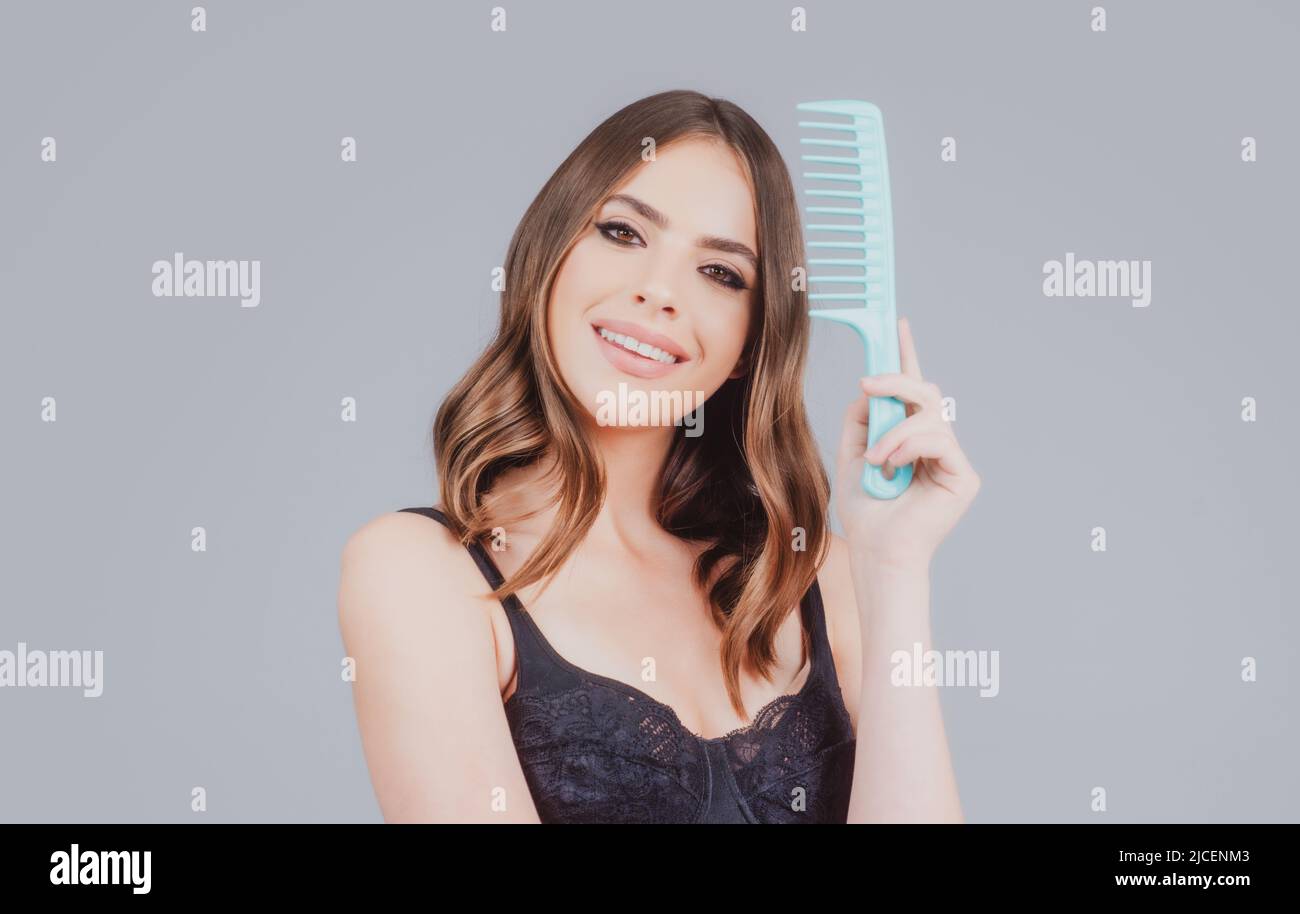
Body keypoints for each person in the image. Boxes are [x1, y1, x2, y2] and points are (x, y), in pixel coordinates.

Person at [337, 89, 980, 823]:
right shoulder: (420, 571)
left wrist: (894, 570)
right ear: (548, 257)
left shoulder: (822, 578)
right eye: (622, 232)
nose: (659, 293)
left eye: (721, 274)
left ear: (747, 348)